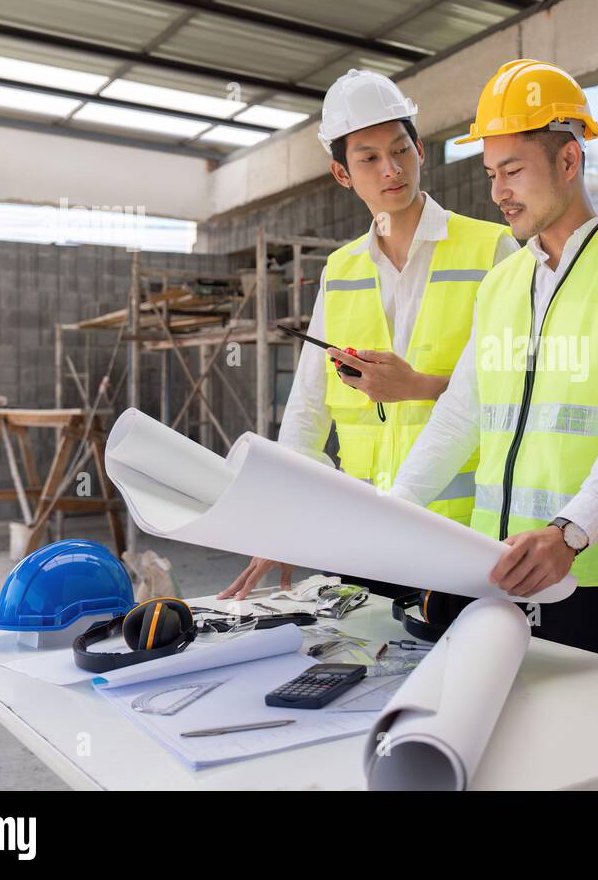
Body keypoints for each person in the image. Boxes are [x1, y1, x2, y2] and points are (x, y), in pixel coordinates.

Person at [387, 59, 598, 660]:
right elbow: (458, 417)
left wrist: (568, 534)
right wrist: (390, 514)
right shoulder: (501, 283)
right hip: (489, 568)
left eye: (513, 171)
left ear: (569, 162)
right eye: (490, 173)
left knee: (581, 748)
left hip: (591, 574)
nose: (498, 191)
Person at [219, 69, 517, 601]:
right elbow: (308, 408)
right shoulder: (340, 269)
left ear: (421, 149)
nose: (392, 169)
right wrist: (283, 517)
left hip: (461, 533)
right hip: (362, 533)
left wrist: (420, 385)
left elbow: (521, 387)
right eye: (369, 158)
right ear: (341, 173)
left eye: (400, 150)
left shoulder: (493, 250)